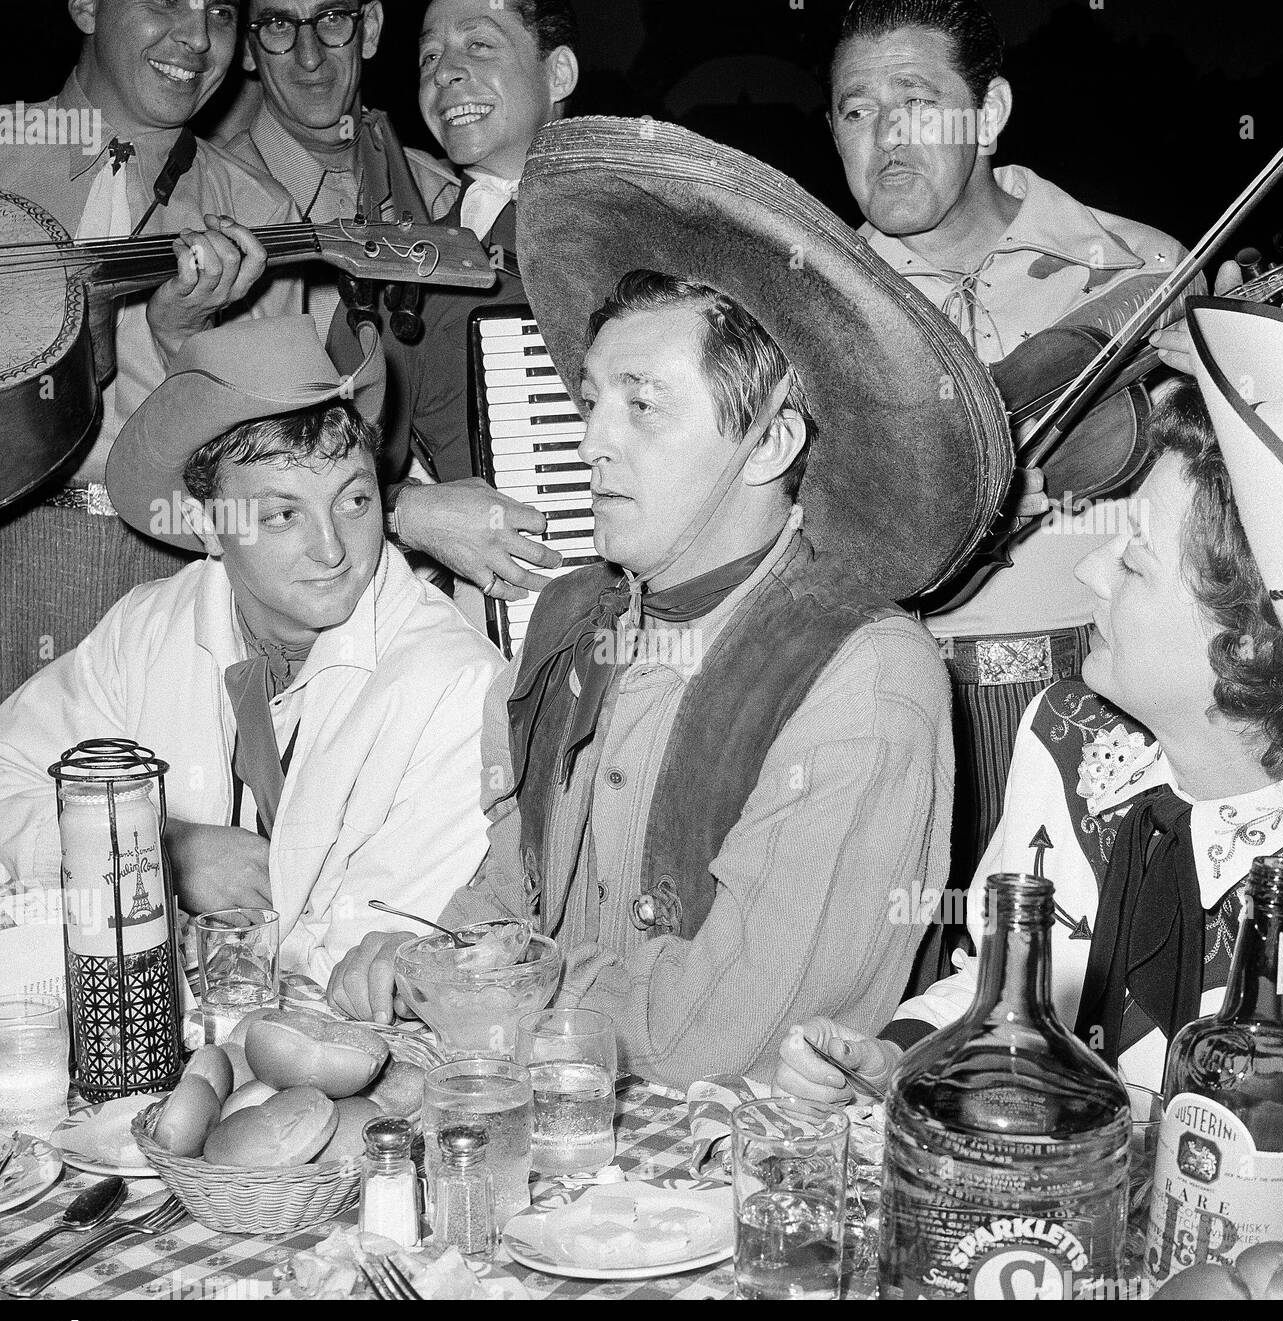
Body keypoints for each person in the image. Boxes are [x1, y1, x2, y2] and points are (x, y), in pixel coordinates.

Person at [324, 116, 1014, 1087]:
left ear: (770, 444)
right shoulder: (571, 622)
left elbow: (712, 1039)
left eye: (640, 404)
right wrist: (422, 955)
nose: (591, 441)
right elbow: (505, 888)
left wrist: (484, 986)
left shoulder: (861, 677)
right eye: (590, 401)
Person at [775, 297, 1283, 1100]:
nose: (1088, 575)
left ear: (1253, 641)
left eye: (1132, 565)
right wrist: (894, 1060)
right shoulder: (1070, 734)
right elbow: (998, 982)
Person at [826, 0, 1202, 900]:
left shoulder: (1138, 272)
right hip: (881, 699)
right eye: (853, 109)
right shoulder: (812, 303)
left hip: (1106, 697)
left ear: (988, 113)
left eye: (914, 100)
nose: (882, 135)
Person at [0, 317, 503, 986]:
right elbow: (9, 780)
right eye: (281, 515)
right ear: (210, 525)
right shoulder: (147, 628)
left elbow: (367, 965)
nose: (331, 550)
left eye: (354, 501)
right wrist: (162, 847)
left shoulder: (458, 686)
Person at [0, 0, 301, 700]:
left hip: (174, 567)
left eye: (222, 13)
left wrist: (185, 344)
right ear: (83, 7)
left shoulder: (260, 212)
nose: (196, 38)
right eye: (166, 0)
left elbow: (274, 462)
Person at [328, 0, 581, 611]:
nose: (444, 72)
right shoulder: (389, 276)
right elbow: (321, 479)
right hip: (489, 625)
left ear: (559, 74)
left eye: (480, 45)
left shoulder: (662, 230)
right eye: (430, 56)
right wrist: (413, 514)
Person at [223, 0, 459, 345]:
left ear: (371, 29)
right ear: (247, 48)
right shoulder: (210, 202)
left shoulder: (442, 195)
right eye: (278, 25)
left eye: (332, 18)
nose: (309, 57)